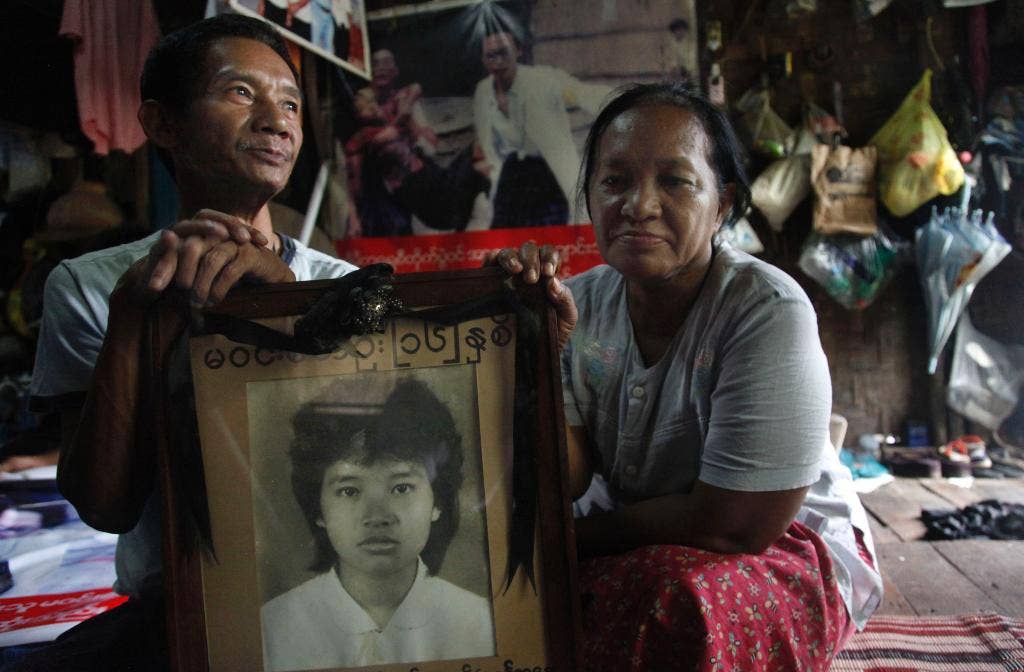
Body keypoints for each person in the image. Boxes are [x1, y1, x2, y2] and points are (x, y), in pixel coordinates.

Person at [492, 82, 883, 671]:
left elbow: (733, 526)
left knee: (674, 601)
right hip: (636, 531)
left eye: (674, 181)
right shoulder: (576, 306)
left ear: (722, 204)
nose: (639, 205)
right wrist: (539, 357)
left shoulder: (764, 309)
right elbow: (567, 482)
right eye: (614, 181)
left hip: (785, 542)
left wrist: (569, 544)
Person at [15, 14, 357, 671]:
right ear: (164, 124)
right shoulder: (91, 288)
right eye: (240, 92)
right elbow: (106, 505)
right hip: (176, 619)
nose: (277, 119)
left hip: (330, 611)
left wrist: (280, 298)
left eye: (289, 102)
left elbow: (358, 456)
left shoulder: (337, 285)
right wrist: (132, 320)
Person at [261, 377, 495, 670]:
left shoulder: (482, 624)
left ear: (437, 502)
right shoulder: (269, 630)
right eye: (349, 490)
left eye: (401, 488)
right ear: (318, 508)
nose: (377, 516)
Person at [472, 28, 610, 228]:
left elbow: (583, 93)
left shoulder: (543, 80)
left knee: (553, 242)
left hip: (549, 175)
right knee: (504, 243)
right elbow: (487, 144)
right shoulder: (483, 92)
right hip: (511, 178)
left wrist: (628, 110)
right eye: (491, 55)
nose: (498, 61)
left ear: (518, 51)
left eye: (504, 52)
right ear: (483, 59)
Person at [346, 49, 489, 237]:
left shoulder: (401, 107)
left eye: (387, 63)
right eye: (376, 65)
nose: (381, 69)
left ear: (395, 71)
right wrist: (354, 217)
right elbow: (354, 185)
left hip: (430, 177)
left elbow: (428, 140)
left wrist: (412, 126)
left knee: (478, 160)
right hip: (411, 191)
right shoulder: (360, 139)